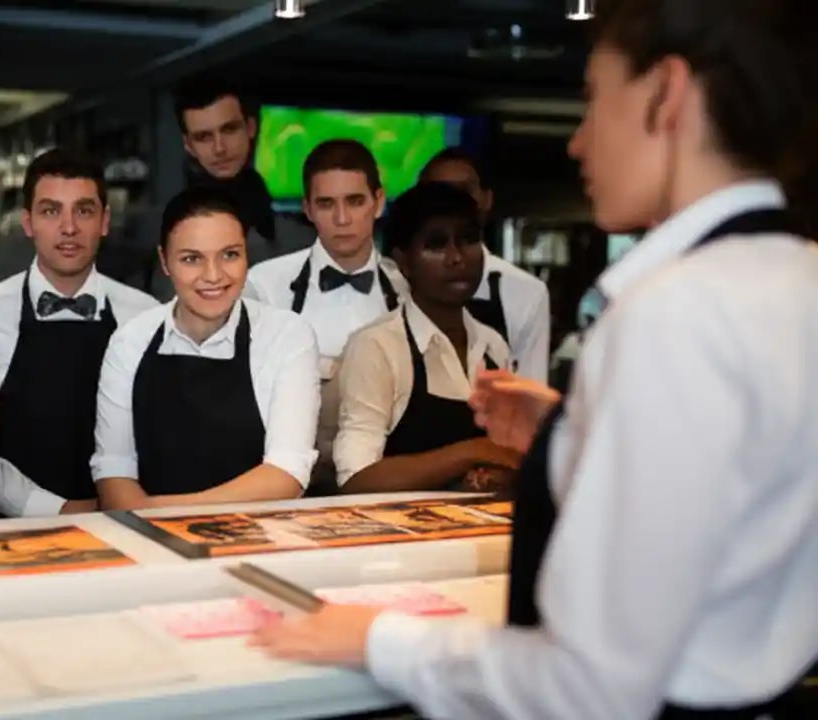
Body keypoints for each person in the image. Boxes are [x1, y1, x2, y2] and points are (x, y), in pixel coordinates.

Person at [254, 2, 818, 718]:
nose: (578, 143)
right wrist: (569, 427)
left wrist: (378, 639)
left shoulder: (668, 313)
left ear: (667, 95)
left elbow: (589, 686)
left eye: (592, 100)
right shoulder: (801, 277)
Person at [0, 149, 157, 517]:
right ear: (27, 222)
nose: (69, 227)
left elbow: (156, 432)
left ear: (105, 221)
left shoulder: (145, 313)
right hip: (6, 528)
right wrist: (52, 509)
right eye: (50, 211)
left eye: (84, 210)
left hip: (123, 519)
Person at [92, 187, 320, 509]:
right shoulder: (130, 341)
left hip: (262, 538)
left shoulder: (286, 336)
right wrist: (155, 525)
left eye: (229, 255)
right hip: (152, 543)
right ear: (165, 262)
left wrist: (163, 511)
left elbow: (287, 472)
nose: (213, 276)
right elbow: (114, 468)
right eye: (191, 259)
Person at [332, 183, 520, 496]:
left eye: (469, 240)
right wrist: (471, 452)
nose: (456, 257)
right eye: (436, 245)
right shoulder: (377, 346)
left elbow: (510, 458)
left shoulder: (493, 346)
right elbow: (357, 481)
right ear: (403, 262)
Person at [244, 140, 400, 492]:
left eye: (355, 201)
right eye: (326, 204)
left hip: (381, 486)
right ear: (308, 209)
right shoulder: (264, 285)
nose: (342, 219)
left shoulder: (408, 290)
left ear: (378, 202)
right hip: (284, 488)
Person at [146, 79, 314, 299]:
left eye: (229, 129)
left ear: (251, 127)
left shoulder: (300, 239)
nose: (219, 148)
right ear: (188, 145)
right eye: (204, 137)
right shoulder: (161, 235)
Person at [416, 147, 551, 382]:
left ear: (487, 199)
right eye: (440, 193)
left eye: (464, 191)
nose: (453, 203)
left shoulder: (525, 293)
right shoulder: (392, 282)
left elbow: (530, 389)